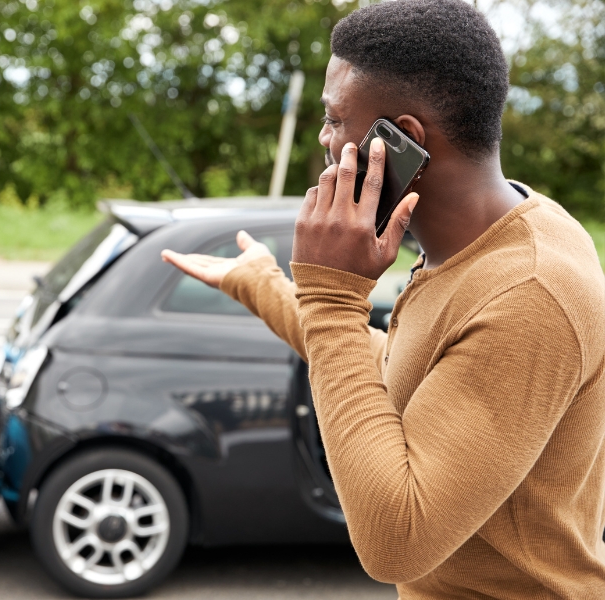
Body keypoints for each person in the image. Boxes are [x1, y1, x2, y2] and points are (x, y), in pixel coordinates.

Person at [162, 0, 605, 597]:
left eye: (335, 118)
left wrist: (332, 297)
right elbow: (408, 372)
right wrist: (264, 285)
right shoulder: (489, 240)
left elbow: (398, 541)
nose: (323, 137)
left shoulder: (531, 291)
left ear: (400, 140)